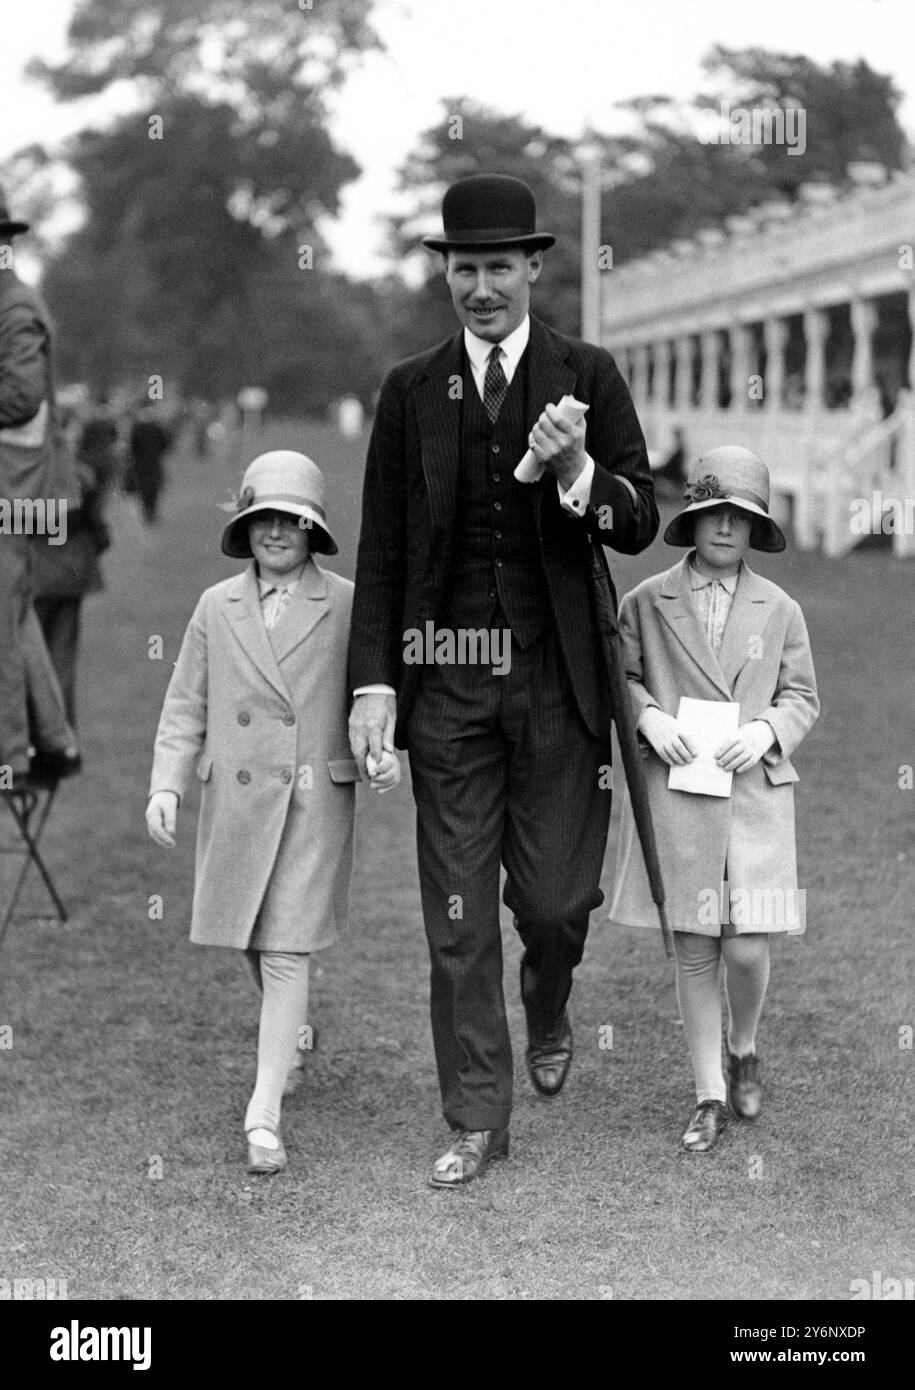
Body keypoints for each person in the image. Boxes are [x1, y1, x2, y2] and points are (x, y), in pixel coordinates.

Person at [348, 173, 658, 1188]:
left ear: (533, 267)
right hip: (445, 684)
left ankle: (552, 990)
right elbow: (385, 552)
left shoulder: (588, 373)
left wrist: (575, 477)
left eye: (497, 266)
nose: (479, 286)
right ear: (447, 272)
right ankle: (478, 1112)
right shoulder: (408, 389)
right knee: (455, 914)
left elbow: (639, 518)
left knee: (560, 900)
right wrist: (375, 685)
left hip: (560, 679)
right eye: (462, 267)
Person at [146, 450, 399, 1174]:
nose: (276, 531)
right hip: (236, 801)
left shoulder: (350, 603)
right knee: (253, 941)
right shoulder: (213, 606)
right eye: (262, 518)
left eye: (291, 519)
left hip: (313, 800)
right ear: (245, 526)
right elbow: (184, 703)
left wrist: (382, 754)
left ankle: (263, 1115)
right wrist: (167, 783)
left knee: (287, 947)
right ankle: (290, 1038)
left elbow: (376, 692)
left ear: (313, 529)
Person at [608, 447, 819, 1152]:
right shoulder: (644, 602)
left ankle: (745, 1043)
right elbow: (621, 678)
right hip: (681, 795)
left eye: (740, 517)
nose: (724, 528)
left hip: (753, 795)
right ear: (690, 520)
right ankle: (707, 1094)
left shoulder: (780, 609)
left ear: (755, 529)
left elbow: (801, 698)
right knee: (694, 948)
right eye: (711, 514)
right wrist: (647, 717)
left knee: (748, 947)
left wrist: (764, 730)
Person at [0, 186, 81, 791]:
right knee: (16, 614)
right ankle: (54, 743)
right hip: (20, 485)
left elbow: (21, 395)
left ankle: (11, 757)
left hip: (16, 489)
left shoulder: (13, 307)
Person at [31, 394, 118, 724]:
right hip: (71, 575)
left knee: (26, 661)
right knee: (61, 660)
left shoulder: (17, 475)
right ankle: (59, 735)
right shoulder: (79, 474)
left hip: (31, 576)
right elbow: (100, 531)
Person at [128, 402, 170, 524]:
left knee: (144, 488)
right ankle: (151, 510)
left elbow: (133, 445)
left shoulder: (138, 428)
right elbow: (164, 444)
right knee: (154, 488)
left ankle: (147, 510)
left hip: (141, 462)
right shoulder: (157, 427)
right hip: (153, 462)